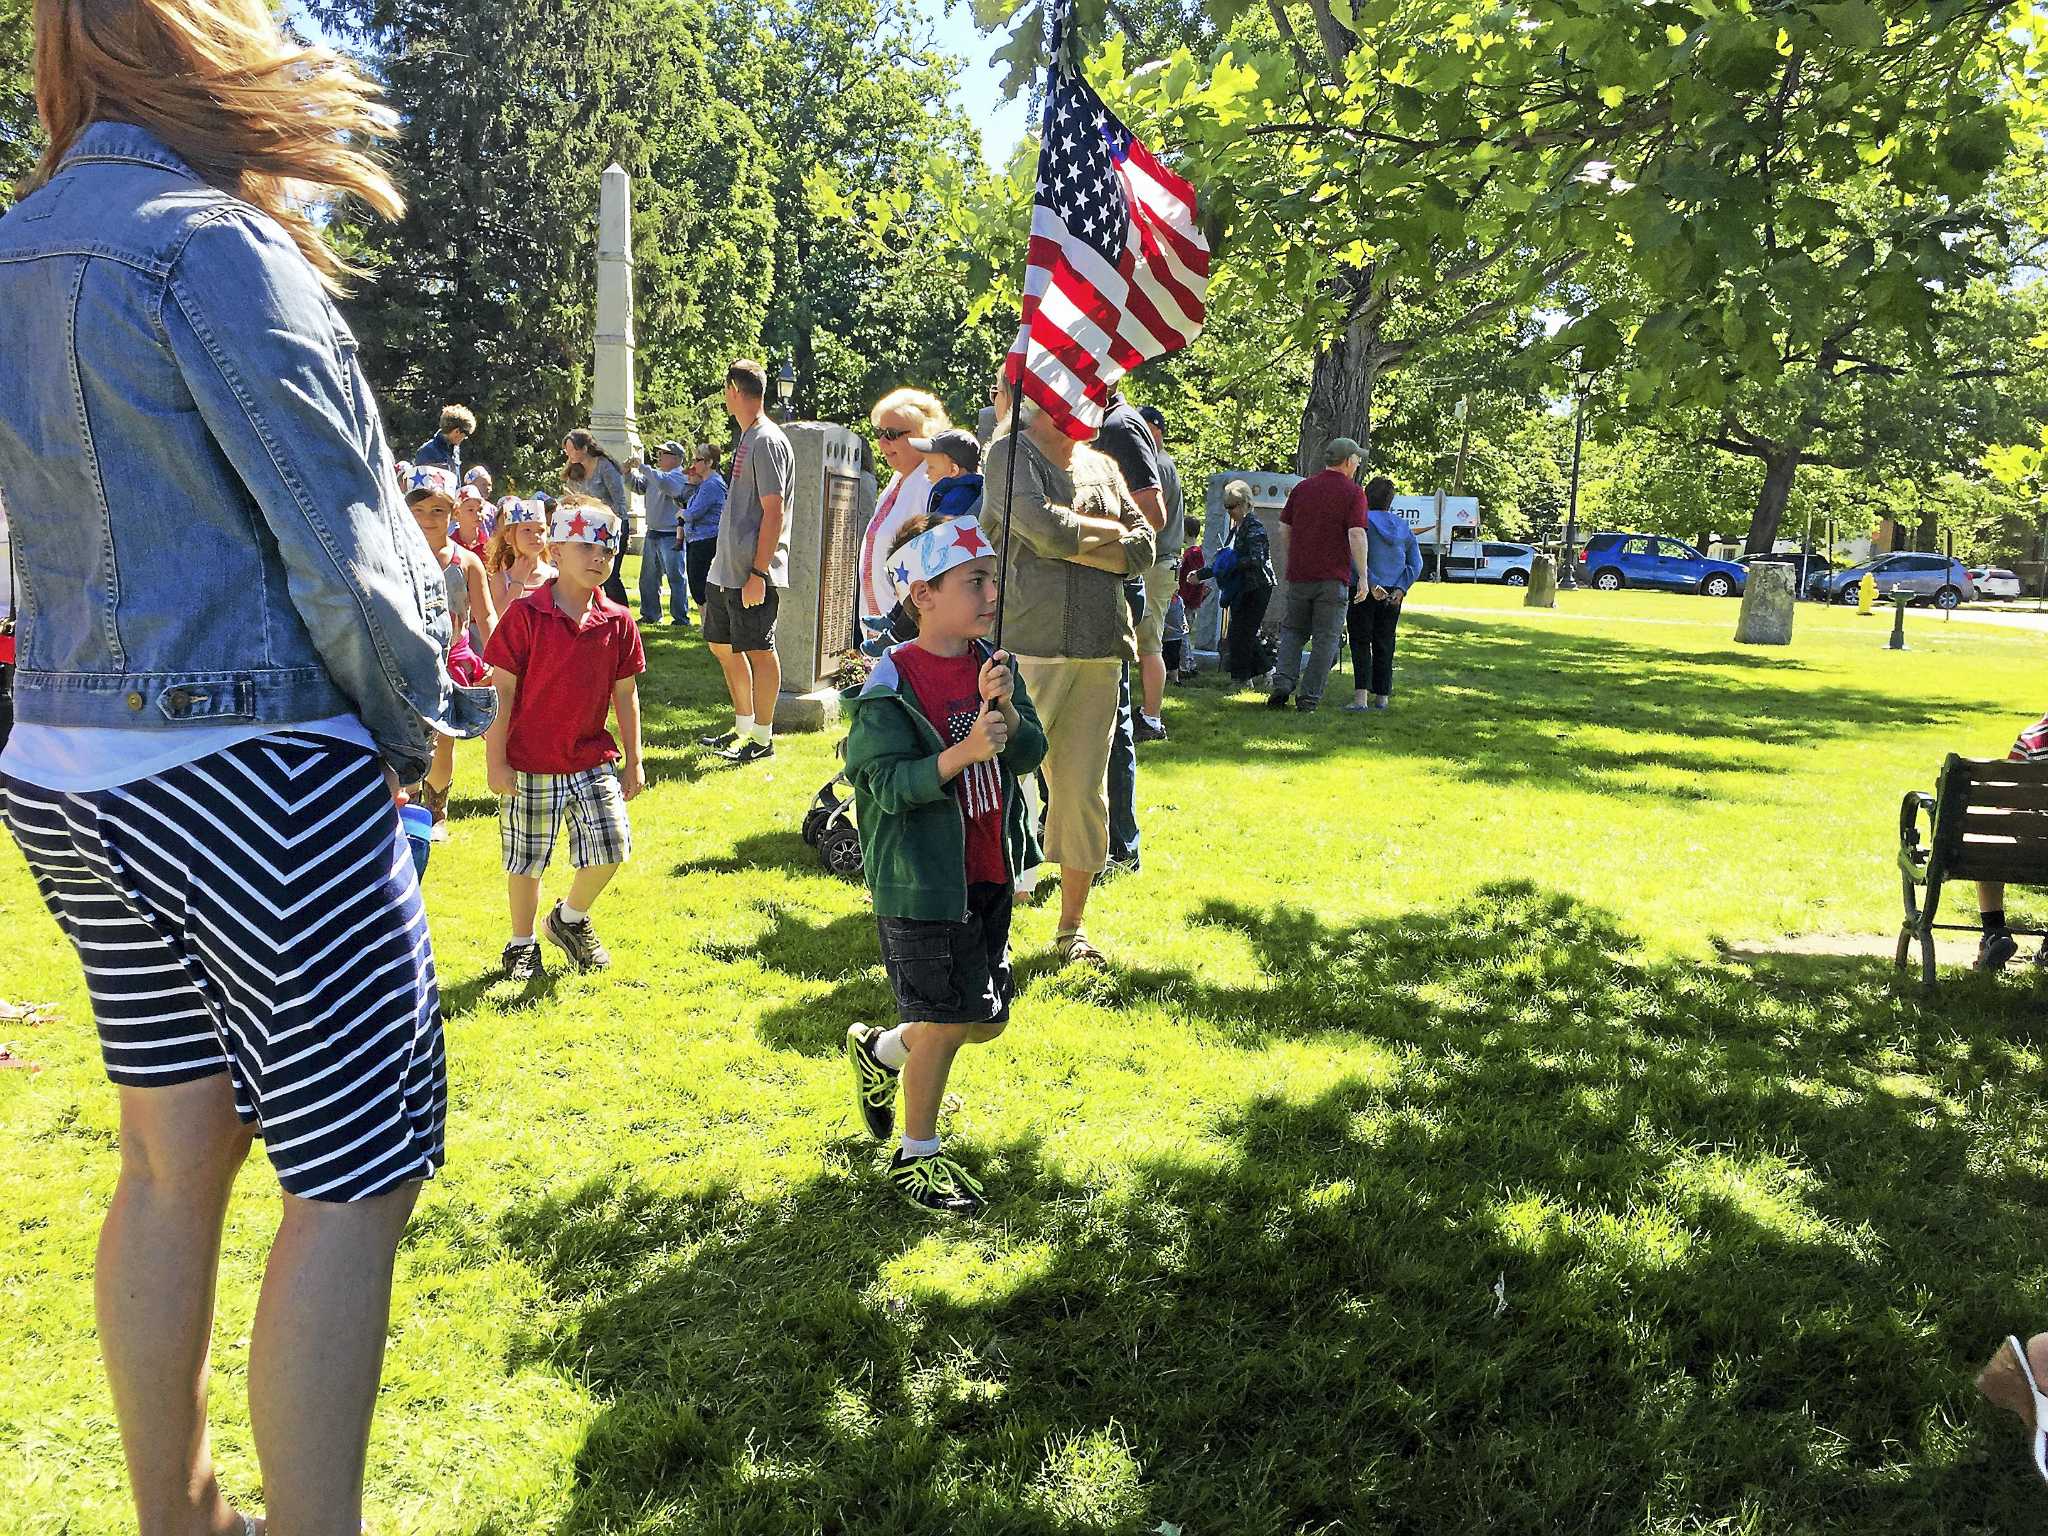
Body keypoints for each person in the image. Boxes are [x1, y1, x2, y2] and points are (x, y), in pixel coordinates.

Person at [0, 0, 486, 1525]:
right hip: (251, 762)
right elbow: (340, 541)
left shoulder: (18, 244)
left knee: (167, 1160)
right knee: (354, 1176)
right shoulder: (206, 240)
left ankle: (179, 1516)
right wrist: (415, 723)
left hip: (68, 763)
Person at [841, 514, 1047, 1216]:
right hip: (925, 880)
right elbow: (879, 784)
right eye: (974, 581)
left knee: (985, 1019)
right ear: (922, 594)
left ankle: (884, 1050)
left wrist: (1010, 720)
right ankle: (915, 1154)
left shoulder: (992, 663)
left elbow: (1029, 751)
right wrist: (959, 756)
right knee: (951, 1019)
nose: (991, 593)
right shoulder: (891, 683)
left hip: (986, 866)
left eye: (993, 579)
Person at [983, 374, 1154, 966]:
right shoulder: (1009, 453)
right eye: (1089, 395)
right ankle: (986, 922)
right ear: (1054, 397)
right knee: (1003, 785)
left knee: (1083, 793)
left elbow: (1147, 545)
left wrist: (1081, 540)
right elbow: (1044, 530)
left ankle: (1071, 930)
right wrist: (1104, 540)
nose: (1099, 406)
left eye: (1102, 397)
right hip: (1030, 644)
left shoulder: (1103, 465)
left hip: (1101, 648)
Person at [481, 495, 645, 981]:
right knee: (526, 859)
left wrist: (634, 757)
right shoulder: (526, 616)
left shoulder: (618, 620)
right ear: (555, 552)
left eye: (607, 552)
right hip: (528, 761)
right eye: (586, 549)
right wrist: (496, 762)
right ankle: (521, 943)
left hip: (590, 758)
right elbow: (501, 693)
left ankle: (569, 919)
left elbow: (626, 693)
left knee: (613, 843)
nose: (598, 559)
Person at [698, 360, 794, 765]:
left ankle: (763, 737)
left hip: (752, 572)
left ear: (734, 389)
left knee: (757, 648)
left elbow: (774, 512)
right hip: (726, 568)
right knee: (721, 644)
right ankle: (742, 727)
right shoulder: (749, 437)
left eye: (725, 388)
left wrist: (758, 572)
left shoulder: (767, 440)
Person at [1089, 389, 1164, 869]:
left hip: (1112, 588)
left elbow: (1151, 517)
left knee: (1112, 724)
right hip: (1083, 591)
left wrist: (1078, 534)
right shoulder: (1101, 425)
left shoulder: (1119, 427)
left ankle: (1121, 846)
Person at [404, 464, 497, 838]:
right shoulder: (396, 556)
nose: (429, 519)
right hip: (407, 655)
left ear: (453, 511)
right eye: (419, 511)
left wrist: (497, 657)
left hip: (453, 657)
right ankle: (403, 801)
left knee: (444, 738)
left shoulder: (466, 561)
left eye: (438, 510)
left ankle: (436, 809)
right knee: (407, 733)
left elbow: (486, 614)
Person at [1267, 437, 1370, 713]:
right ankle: (1309, 697)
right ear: (1348, 461)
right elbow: (1357, 533)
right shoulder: (1354, 493)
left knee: (1292, 631)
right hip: (1332, 578)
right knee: (1326, 638)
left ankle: (1283, 681)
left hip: (1300, 575)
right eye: (1357, 458)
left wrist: (1295, 557)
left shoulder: (1302, 489)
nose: (1358, 463)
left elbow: (1283, 528)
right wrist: (1363, 576)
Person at [857, 388, 948, 623]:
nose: (882, 442)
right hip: (883, 623)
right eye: (879, 433)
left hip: (912, 626)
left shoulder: (931, 483)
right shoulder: (897, 479)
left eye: (892, 433)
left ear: (924, 433)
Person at [1974, 712, 2048, 969]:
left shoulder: (2032, 739)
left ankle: (1994, 932)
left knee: (1988, 841)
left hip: (2034, 847)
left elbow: (2005, 799)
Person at [1344, 475, 1423, 712]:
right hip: (1393, 593)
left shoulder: (1362, 522)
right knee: (1385, 642)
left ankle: (1360, 698)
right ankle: (1382, 697)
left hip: (1364, 588)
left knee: (1360, 641)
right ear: (1391, 500)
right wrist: (1401, 588)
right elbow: (1415, 562)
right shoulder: (1403, 527)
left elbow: (1354, 556)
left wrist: (1372, 582)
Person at [1133, 404, 1184, 742]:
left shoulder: (1156, 466)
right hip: (1157, 562)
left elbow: (1144, 515)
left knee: (1149, 643)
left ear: (1156, 429)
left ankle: (1151, 719)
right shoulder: (1159, 463)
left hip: (1155, 563)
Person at [1202, 480, 1275, 684]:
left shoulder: (1254, 527)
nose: (1229, 511)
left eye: (1232, 506)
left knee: (1243, 633)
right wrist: (1200, 574)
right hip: (1242, 587)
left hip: (1258, 586)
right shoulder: (1236, 530)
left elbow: (1257, 559)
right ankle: (1253, 675)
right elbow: (1223, 562)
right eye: (1226, 507)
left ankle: (1245, 678)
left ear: (1245, 503)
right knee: (1239, 633)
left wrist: (1233, 564)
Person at [562, 427, 631, 608]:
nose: (569, 454)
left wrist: (617, 529)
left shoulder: (605, 467)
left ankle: (622, 615)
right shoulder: (574, 471)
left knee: (610, 576)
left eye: (572, 449)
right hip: (587, 529)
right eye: (567, 450)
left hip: (611, 526)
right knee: (589, 575)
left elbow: (620, 502)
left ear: (584, 448)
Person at [626, 439, 692, 627]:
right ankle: (650, 614)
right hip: (653, 532)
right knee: (648, 578)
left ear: (677, 458)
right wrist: (627, 474)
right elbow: (639, 486)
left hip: (671, 535)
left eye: (664, 454)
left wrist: (643, 467)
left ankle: (680, 618)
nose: (660, 456)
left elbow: (665, 485)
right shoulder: (657, 475)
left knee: (676, 578)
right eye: (660, 453)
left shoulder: (679, 477)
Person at [485, 497, 557, 616]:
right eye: (527, 530)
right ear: (508, 537)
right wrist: (518, 582)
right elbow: (501, 618)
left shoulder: (554, 576)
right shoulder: (500, 579)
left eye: (541, 530)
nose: (535, 535)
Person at [681, 442, 727, 611]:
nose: (694, 464)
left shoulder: (711, 485)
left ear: (709, 463)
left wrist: (681, 513)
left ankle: (710, 626)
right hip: (698, 539)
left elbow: (693, 513)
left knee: (701, 588)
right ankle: (706, 626)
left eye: (698, 459)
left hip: (705, 541)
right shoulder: (705, 484)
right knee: (697, 587)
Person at [1174, 515, 1208, 681]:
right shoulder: (1190, 552)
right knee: (1182, 632)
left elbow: (1196, 579)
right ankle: (1189, 664)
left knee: (1183, 633)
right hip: (1185, 598)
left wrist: (1185, 598)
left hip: (1188, 600)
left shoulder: (1194, 553)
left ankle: (1186, 666)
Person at [412, 403, 475, 479]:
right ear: (457, 431)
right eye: (465, 435)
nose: (464, 439)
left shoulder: (455, 451)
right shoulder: (426, 451)